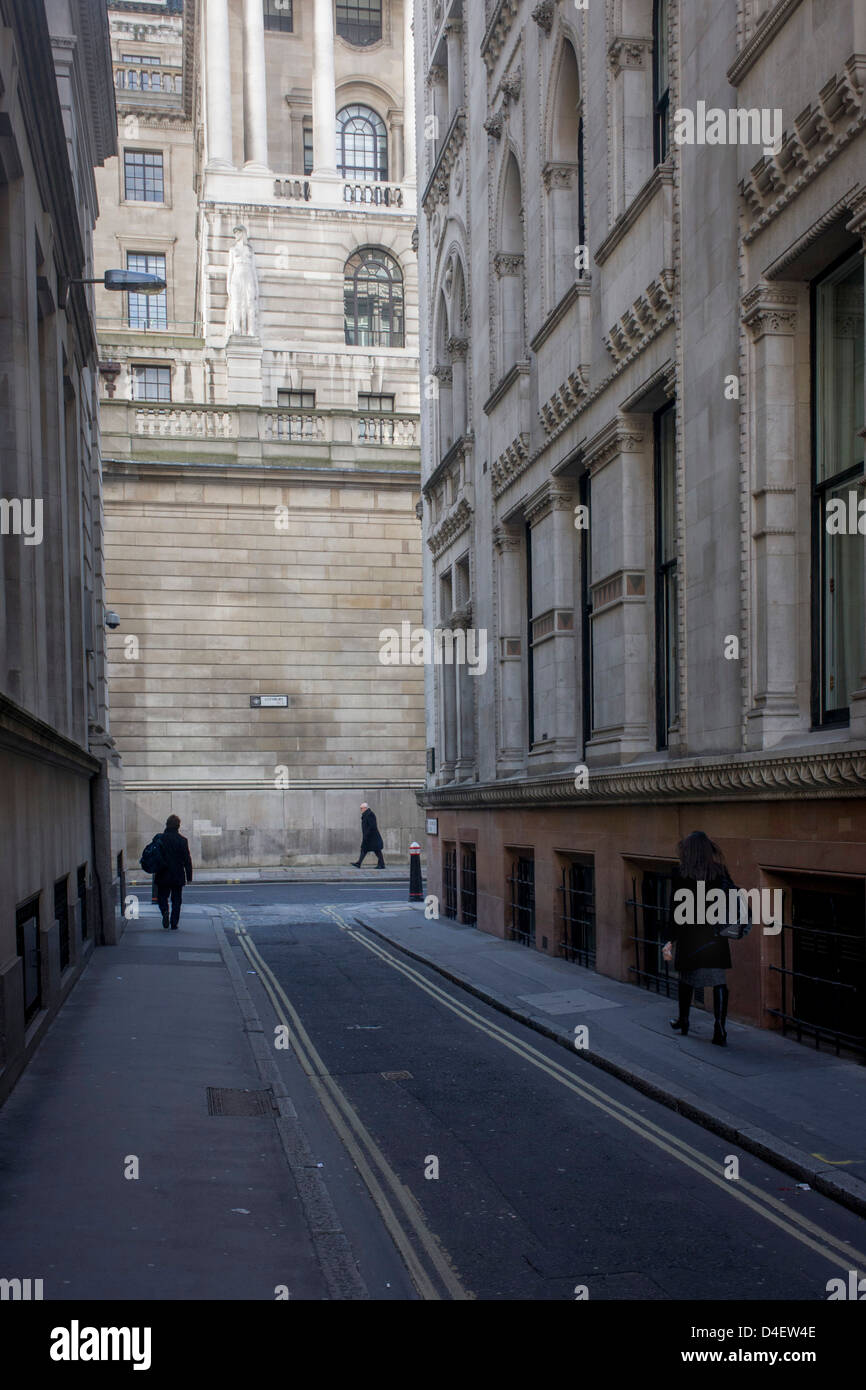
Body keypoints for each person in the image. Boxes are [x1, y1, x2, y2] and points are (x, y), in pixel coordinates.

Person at [662, 830, 736, 1046]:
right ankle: (720, 1029)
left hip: (690, 936)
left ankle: (683, 1020)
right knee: (718, 981)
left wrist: (669, 939)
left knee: (686, 980)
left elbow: (675, 910)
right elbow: (731, 898)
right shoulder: (719, 871)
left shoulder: (680, 873)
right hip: (714, 936)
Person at [154, 814, 193, 929]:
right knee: (176, 900)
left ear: (167, 825)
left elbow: (154, 855)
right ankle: (174, 923)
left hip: (162, 873)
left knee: (162, 897)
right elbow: (187, 859)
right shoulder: (182, 840)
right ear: (178, 826)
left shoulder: (159, 839)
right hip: (177, 874)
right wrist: (189, 876)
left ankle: (165, 911)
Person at [351, 802, 385, 869]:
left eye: (361, 808)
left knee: (377, 850)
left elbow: (372, 826)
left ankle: (382, 865)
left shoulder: (370, 814)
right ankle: (359, 863)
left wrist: (367, 834)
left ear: (365, 808)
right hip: (369, 836)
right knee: (364, 849)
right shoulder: (366, 814)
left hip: (372, 837)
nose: (361, 810)